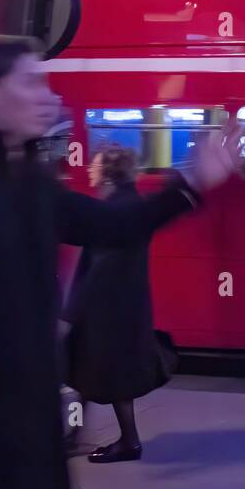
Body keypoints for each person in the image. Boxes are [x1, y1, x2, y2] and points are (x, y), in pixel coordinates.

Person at [0, 36, 239, 489]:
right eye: (30, 81)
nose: (47, 95)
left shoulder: (27, 182)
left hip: (28, 445)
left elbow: (113, 225)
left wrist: (189, 186)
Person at [62, 145, 163, 464]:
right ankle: (78, 436)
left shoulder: (118, 209)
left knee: (95, 376)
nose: (89, 169)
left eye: (94, 165)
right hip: (118, 307)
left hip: (107, 311)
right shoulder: (126, 203)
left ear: (108, 171)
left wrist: (70, 313)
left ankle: (125, 441)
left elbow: (100, 268)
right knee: (88, 376)